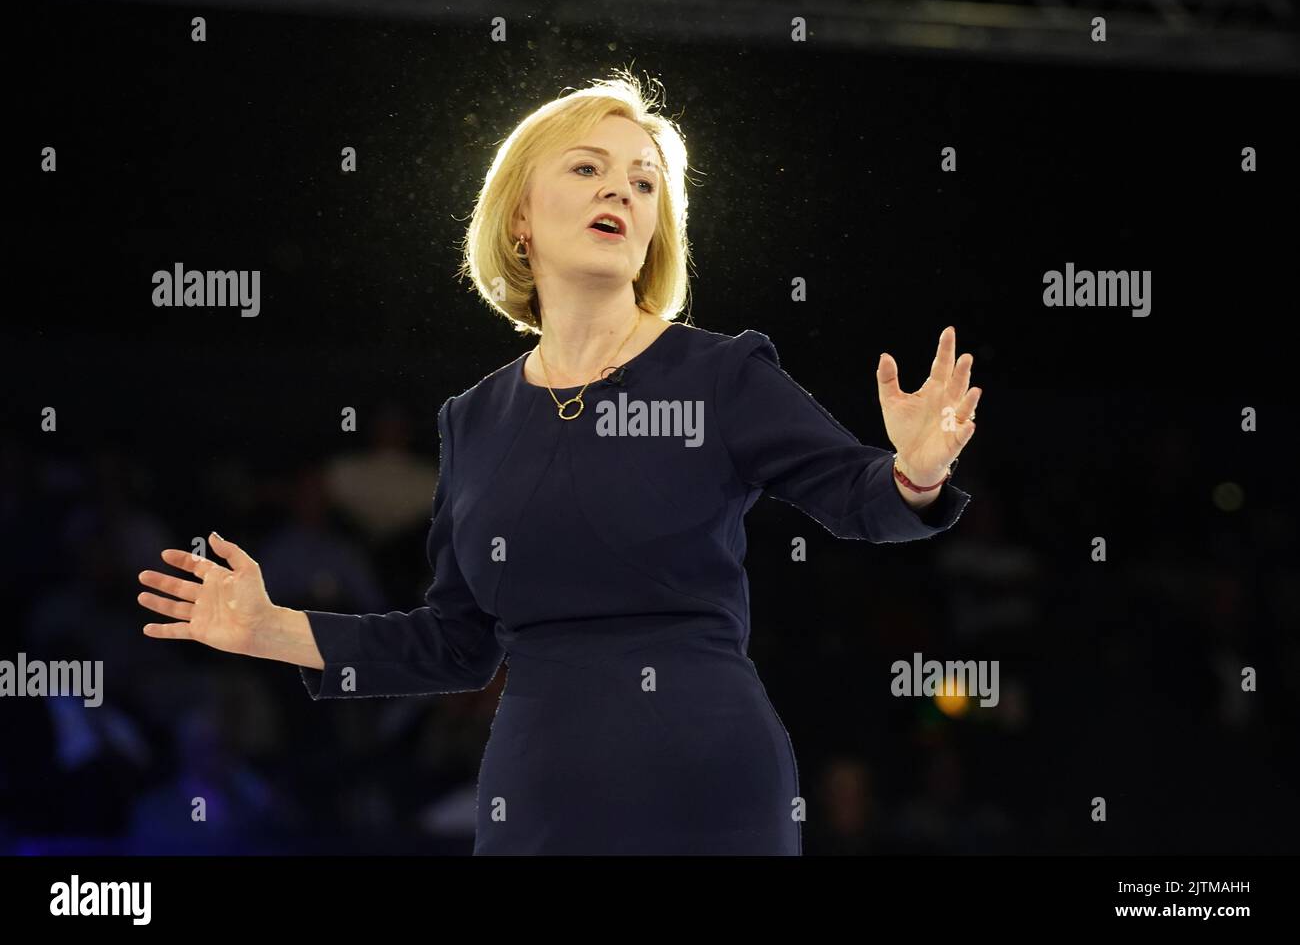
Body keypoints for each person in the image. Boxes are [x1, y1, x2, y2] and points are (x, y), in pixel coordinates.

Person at [137, 70, 982, 855]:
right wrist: (269, 630)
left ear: (655, 229)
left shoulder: (722, 375)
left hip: (708, 774)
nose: (621, 188)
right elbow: (458, 642)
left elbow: (855, 496)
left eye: (644, 182)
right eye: (587, 168)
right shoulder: (473, 420)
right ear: (519, 217)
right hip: (538, 790)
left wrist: (913, 471)